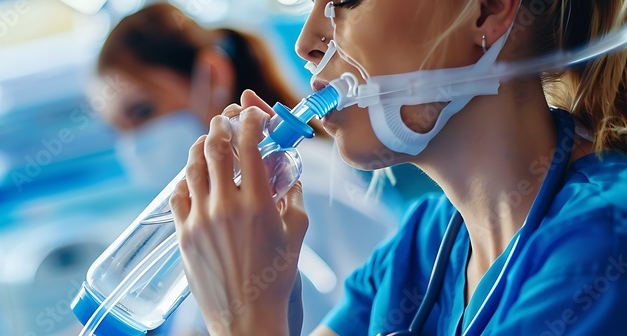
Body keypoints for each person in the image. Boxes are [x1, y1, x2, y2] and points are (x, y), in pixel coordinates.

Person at [170, 0, 627, 334]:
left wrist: (246, 322)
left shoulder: (604, 242)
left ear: (486, 11)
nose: (307, 42)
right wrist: (264, 299)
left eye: (346, 1)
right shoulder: (418, 251)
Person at [92, 3, 402, 334]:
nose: (134, 143)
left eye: (142, 110)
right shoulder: (222, 205)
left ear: (211, 77)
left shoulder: (294, 180)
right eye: (117, 128)